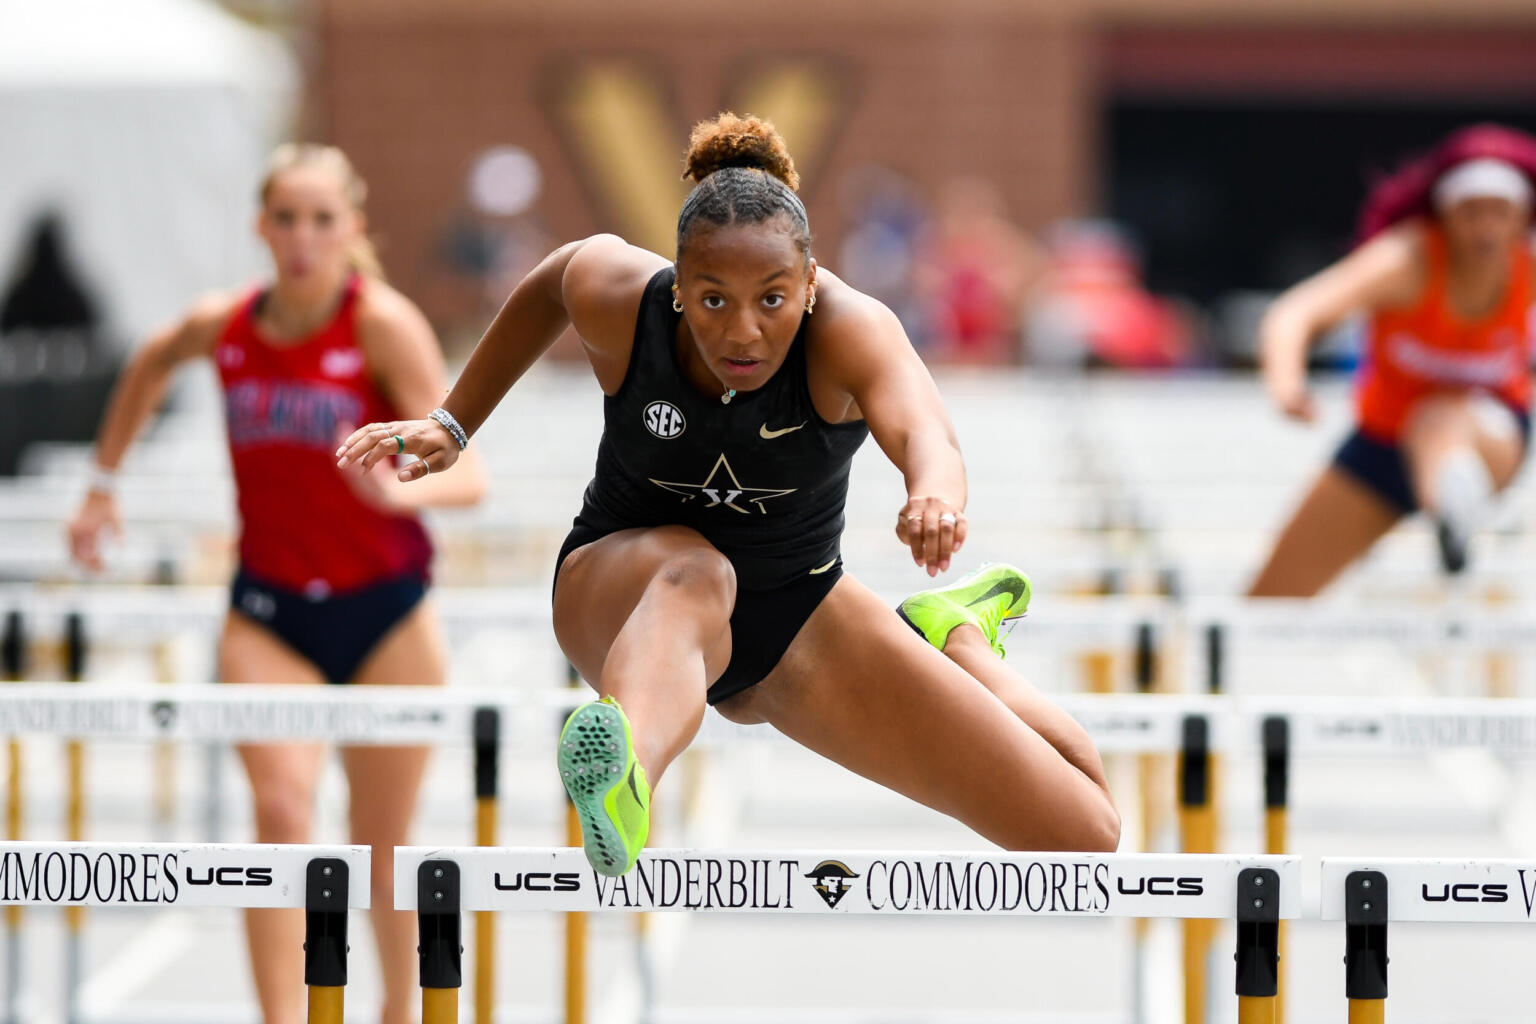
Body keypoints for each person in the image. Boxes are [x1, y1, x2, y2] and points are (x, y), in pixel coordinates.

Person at [340, 113, 1119, 877]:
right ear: (678, 286)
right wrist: (454, 422)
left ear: (811, 284)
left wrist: (933, 499)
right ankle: (623, 779)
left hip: (792, 619)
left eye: (772, 300)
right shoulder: (625, 298)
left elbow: (928, 434)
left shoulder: (852, 329)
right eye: (714, 300)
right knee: (697, 572)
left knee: (1083, 830)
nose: (743, 331)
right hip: (619, 592)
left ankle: (953, 640)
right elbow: (553, 281)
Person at [67, 144, 486, 1024]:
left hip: (387, 611)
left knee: (382, 847)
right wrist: (104, 485)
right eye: (286, 218)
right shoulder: (225, 325)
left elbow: (468, 475)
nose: (303, 237)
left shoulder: (382, 324)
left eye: (322, 219)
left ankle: (400, 1013)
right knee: (281, 817)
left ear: (352, 229)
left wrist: (403, 480)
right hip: (269, 611)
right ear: (261, 227)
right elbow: (148, 361)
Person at [1251, 124, 1536, 595]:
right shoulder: (1406, 261)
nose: (1485, 229)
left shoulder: (1528, 264)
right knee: (1269, 603)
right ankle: (1449, 504)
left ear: (1521, 216)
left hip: (1490, 437)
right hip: (1383, 448)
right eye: (1471, 212)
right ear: (1443, 213)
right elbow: (1294, 313)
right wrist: (1287, 385)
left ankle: (1455, 506)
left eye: (1499, 213)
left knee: (1440, 418)